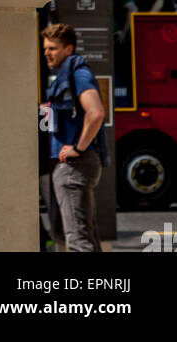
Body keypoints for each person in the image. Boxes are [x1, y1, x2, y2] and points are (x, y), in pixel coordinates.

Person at [42, 22, 107, 252]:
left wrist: (77, 149)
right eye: (45, 48)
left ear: (68, 49)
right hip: (76, 164)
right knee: (86, 235)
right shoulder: (68, 74)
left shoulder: (78, 73)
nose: (47, 53)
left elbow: (96, 112)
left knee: (78, 240)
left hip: (74, 165)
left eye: (53, 48)